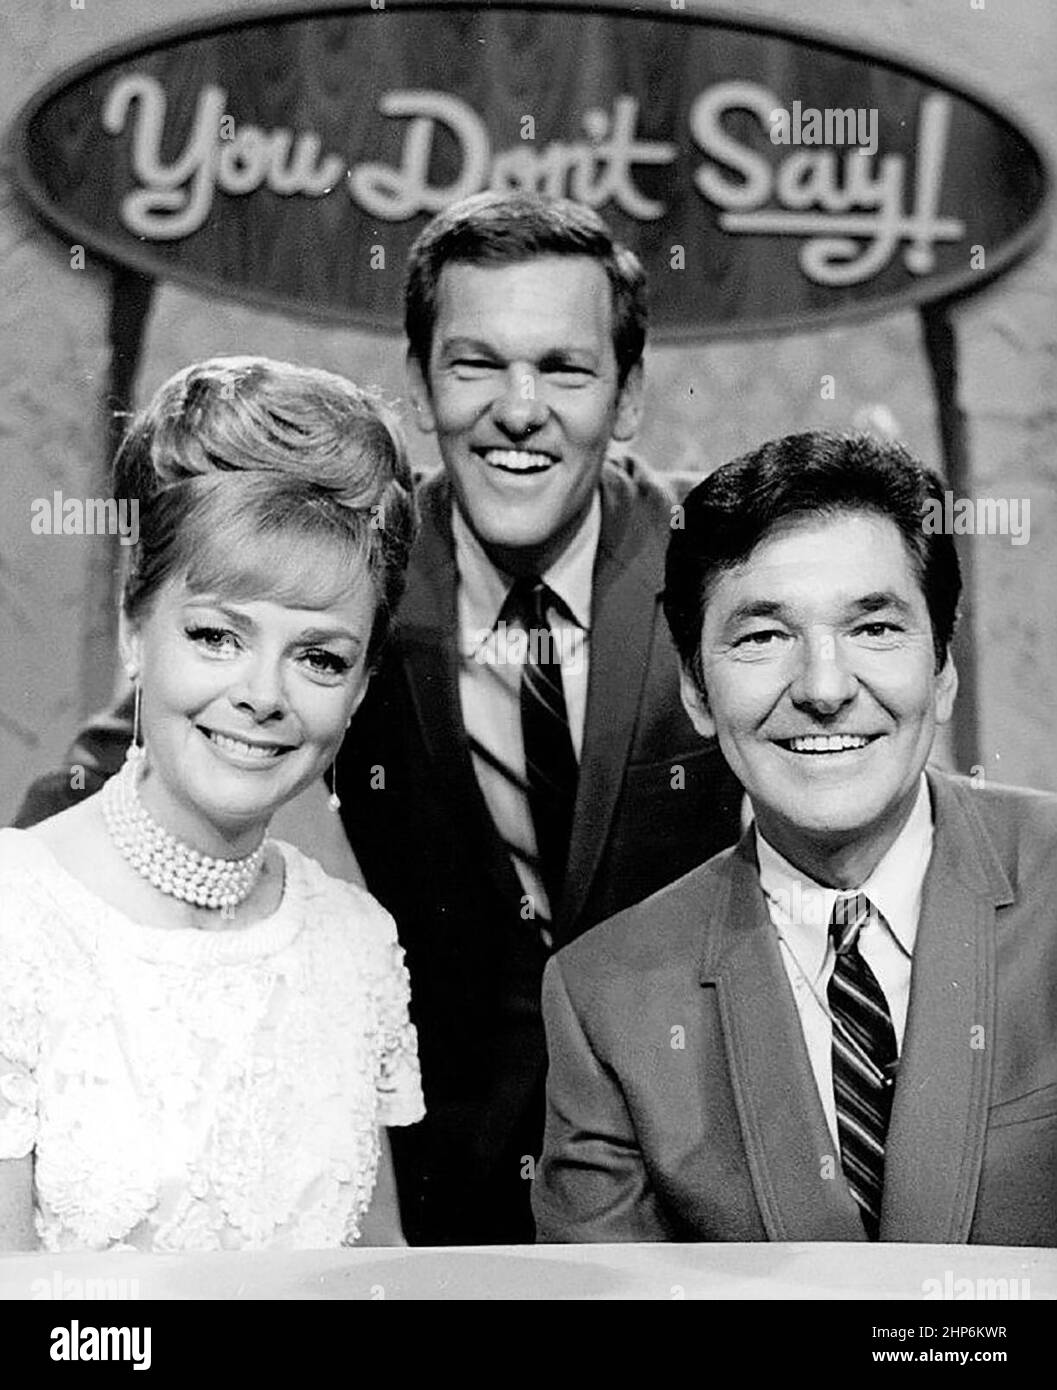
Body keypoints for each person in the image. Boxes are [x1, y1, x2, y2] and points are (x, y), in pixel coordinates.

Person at [13, 194, 744, 1245]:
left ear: (627, 396)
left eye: (566, 368)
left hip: (696, 1154)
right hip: (450, 1161)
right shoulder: (349, 566)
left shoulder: (719, 564)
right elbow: (146, 746)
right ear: (418, 385)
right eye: (475, 363)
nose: (519, 408)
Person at [533, 431, 1057, 1247]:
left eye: (873, 629)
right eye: (761, 638)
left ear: (943, 670)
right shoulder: (603, 999)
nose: (822, 688)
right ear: (697, 693)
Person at [0, 357, 423, 1252]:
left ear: (359, 687)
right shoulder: (14, 921)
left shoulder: (356, 944)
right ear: (133, 628)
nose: (263, 694)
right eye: (217, 635)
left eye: (319, 657)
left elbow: (380, 1283)